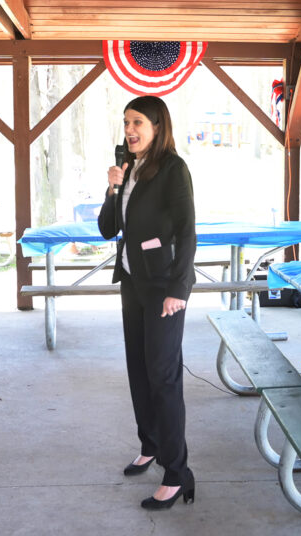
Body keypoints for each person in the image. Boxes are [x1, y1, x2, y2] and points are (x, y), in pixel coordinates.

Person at [97, 95, 197, 511]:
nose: (130, 130)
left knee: (163, 376)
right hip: (132, 282)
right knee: (138, 369)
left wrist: (179, 289)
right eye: (125, 123)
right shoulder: (130, 169)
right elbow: (108, 229)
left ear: (158, 126)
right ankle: (150, 445)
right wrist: (111, 188)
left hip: (163, 287)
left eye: (137, 122)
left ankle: (177, 472)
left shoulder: (173, 169)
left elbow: (188, 230)